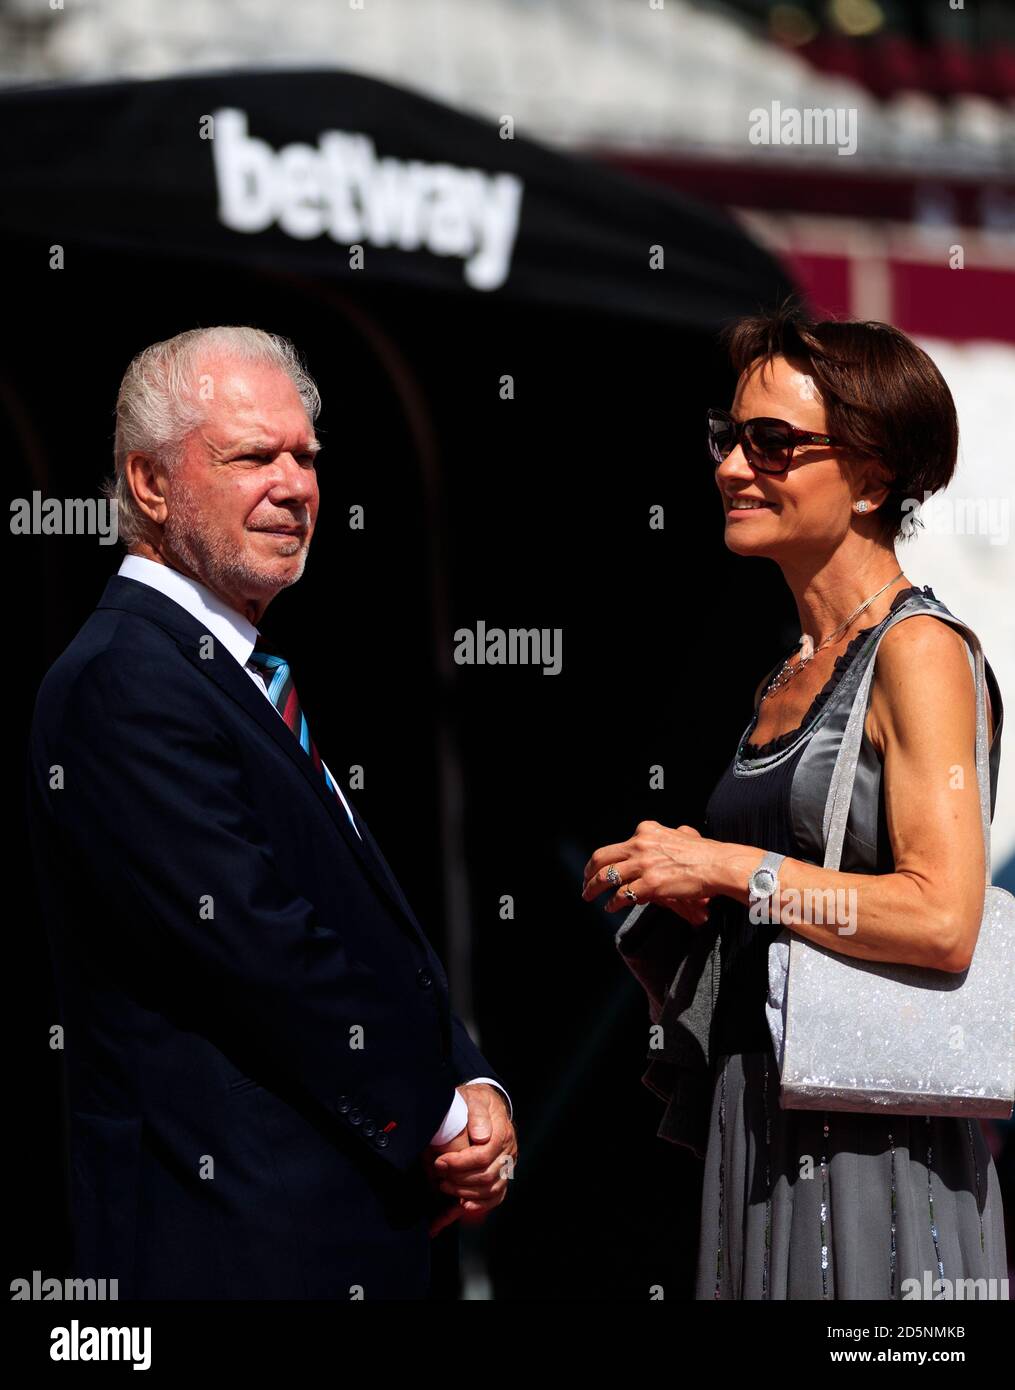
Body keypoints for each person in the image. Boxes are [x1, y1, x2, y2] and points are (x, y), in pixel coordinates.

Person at [27, 325, 516, 1299]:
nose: (294, 486)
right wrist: (441, 1113)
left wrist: (472, 1076)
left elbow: (363, 922)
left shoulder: (236, 671)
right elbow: (261, 944)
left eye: (306, 457)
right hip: (225, 1245)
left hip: (327, 1233)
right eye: (254, 455)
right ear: (151, 484)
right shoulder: (125, 678)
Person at [582, 304, 1006, 1299]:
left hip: (876, 1144)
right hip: (763, 1115)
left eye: (771, 443)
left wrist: (728, 867)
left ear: (872, 477)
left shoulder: (919, 653)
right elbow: (798, 889)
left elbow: (944, 920)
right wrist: (693, 887)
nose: (732, 467)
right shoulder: (786, 677)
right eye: (727, 438)